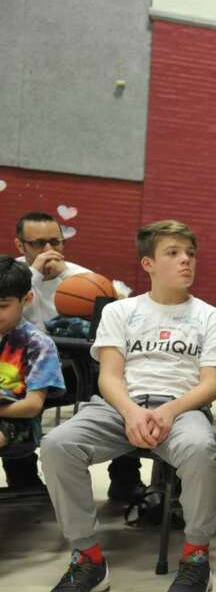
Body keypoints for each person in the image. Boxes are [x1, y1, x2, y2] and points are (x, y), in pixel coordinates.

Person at [40, 221, 216, 592]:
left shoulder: (210, 317)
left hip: (180, 409)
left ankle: (196, 554)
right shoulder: (120, 311)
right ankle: (88, 558)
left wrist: (167, 410)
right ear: (148, 263)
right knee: (57, 445)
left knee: (201, 450)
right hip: (119, 406)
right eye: (173, 253)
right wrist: (131, 412)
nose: (186, 261)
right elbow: (109, 376)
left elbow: (211, 383)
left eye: (190, 254)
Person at [8, 212, 143, 498]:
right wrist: (32, 276)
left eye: (56, 242)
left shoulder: (84, 279)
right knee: (10, 392)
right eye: (38, 244)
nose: (49, 251)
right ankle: (24, 479)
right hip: (23, 368)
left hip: (78, 367)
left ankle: (125, 478)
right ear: (21, 246)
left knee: (123, 394)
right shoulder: (12, 277)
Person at [0, 255, 65, 476]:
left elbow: (32, 406)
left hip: (16, 423)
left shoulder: (37, 343)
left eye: (2, 306)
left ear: (26, 298)